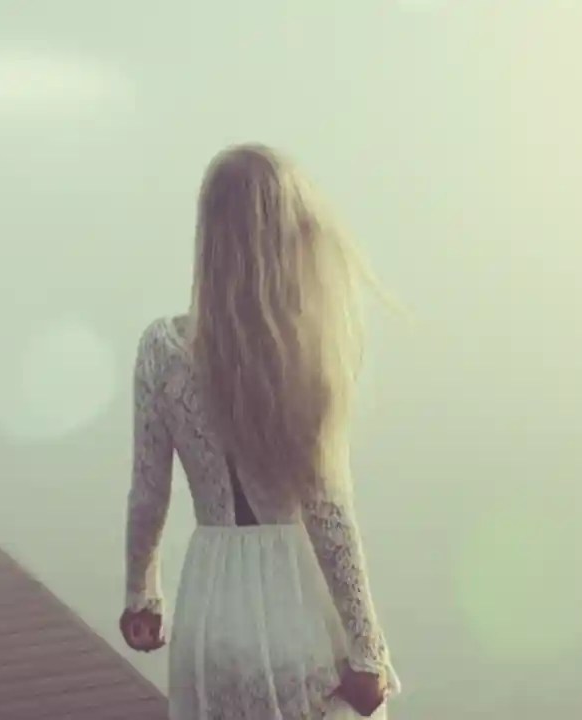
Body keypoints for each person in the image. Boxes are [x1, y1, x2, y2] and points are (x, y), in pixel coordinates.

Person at [118, 143, 400, 719]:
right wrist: (368, 650)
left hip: (211, 610)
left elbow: (148, 491)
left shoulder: (161, 348)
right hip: (294, 608)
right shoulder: (302, 351)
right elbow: (328, 513)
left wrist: (141, 595)